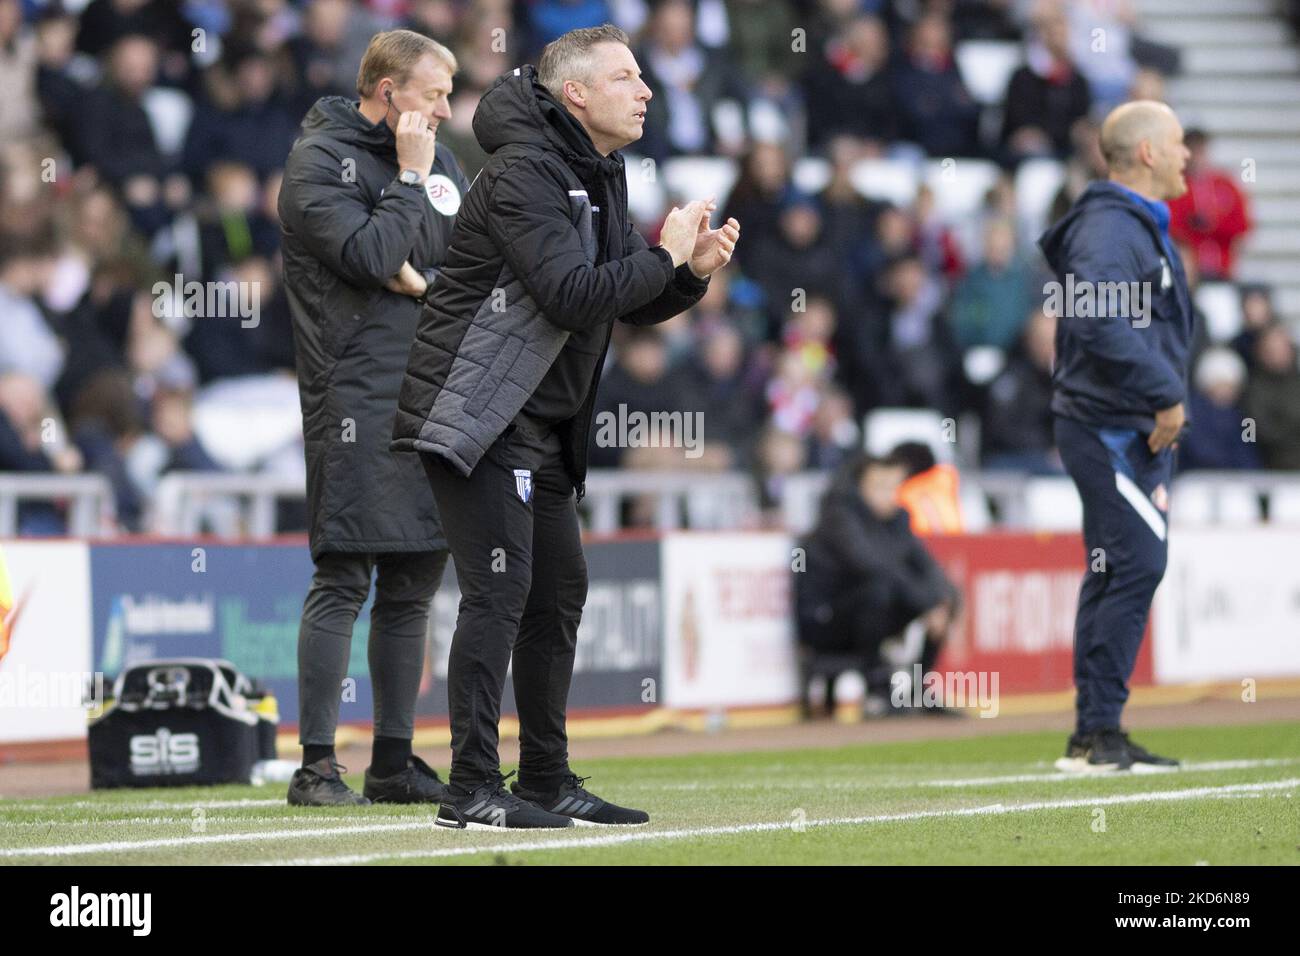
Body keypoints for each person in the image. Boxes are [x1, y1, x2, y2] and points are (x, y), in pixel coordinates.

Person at [391, 24, 739, 829]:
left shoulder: (598, 169)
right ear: (575, 93)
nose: (646, 90)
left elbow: (625, 295)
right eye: (626, 76)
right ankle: (470, 788)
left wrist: (686, 274)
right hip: (476, 412)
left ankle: (545, 778)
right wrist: (662, 255)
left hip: (541, 424)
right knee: (501, 592)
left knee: (557, 596)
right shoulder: (524, 172)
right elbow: (571, 293)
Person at [278, 29, 470, 807]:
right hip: (353, 397)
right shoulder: (318, 162)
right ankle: (316, 766)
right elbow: (369, 257)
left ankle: (394, 760)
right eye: (434, 96)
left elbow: (456, 264)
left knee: (416, 582)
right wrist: (412, 185)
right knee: (344, 574)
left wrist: (410, 261)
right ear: (388, 92)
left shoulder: (442, 162)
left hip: (434, 389)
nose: (447, 112)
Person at [1038, 100, 1193, 773]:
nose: (1189, 156)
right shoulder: (1110, 229)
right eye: (1180, 143)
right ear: (1150, 153)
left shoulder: (1126, 225)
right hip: (1107, 425)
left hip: (1121, 426)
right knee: (1136, 564)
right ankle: (1098, 733)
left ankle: (1097, 730)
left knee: (1115, 569)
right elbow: (1099, 323)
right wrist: (1166, 391)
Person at [794, 453, 960, 711]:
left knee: (948, 595)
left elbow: (926, 565)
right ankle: (877, 688)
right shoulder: (839, 518)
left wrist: (940, 600)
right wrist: (926, 604)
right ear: (859, 486)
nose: (890, 495)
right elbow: (871, 567)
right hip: (825, 620)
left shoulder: (896, 520)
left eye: (894, 487)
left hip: (866, 613)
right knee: (879, 592)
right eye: (880, 487)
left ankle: (918, 689)